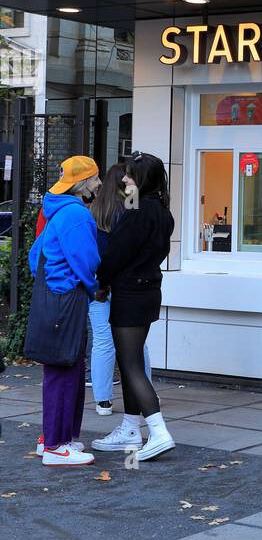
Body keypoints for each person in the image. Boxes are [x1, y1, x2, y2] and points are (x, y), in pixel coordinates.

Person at [91, 152, 174, 461]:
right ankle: (129, 426)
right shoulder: (161, 212)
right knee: (132, 361)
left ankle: (158, 431)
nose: (123, 179)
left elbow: (116, 253)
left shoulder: (138, 212)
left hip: (130, 294)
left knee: (130, 365)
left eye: (129, 175)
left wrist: (101, 281)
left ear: (141, 179)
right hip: (149, 290)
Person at [28, 156, 102, 467]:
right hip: (68, 298)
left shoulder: (56, 210)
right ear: (83, 183)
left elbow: (36, 255)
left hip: (53, 296)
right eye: (95, 178)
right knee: (66, 369)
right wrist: (90, 285)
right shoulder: (77, 214)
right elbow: (87, 261)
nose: (99, 184)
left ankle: (54, 440)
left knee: (60, 369)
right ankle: (58, 446)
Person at [89, 164, 153, 416]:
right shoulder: (128, 209)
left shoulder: (93, 211)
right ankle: (145, 394)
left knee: (102, 342)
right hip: (126, 285)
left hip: (98, 285)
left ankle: (103, 400)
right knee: (139, 345)